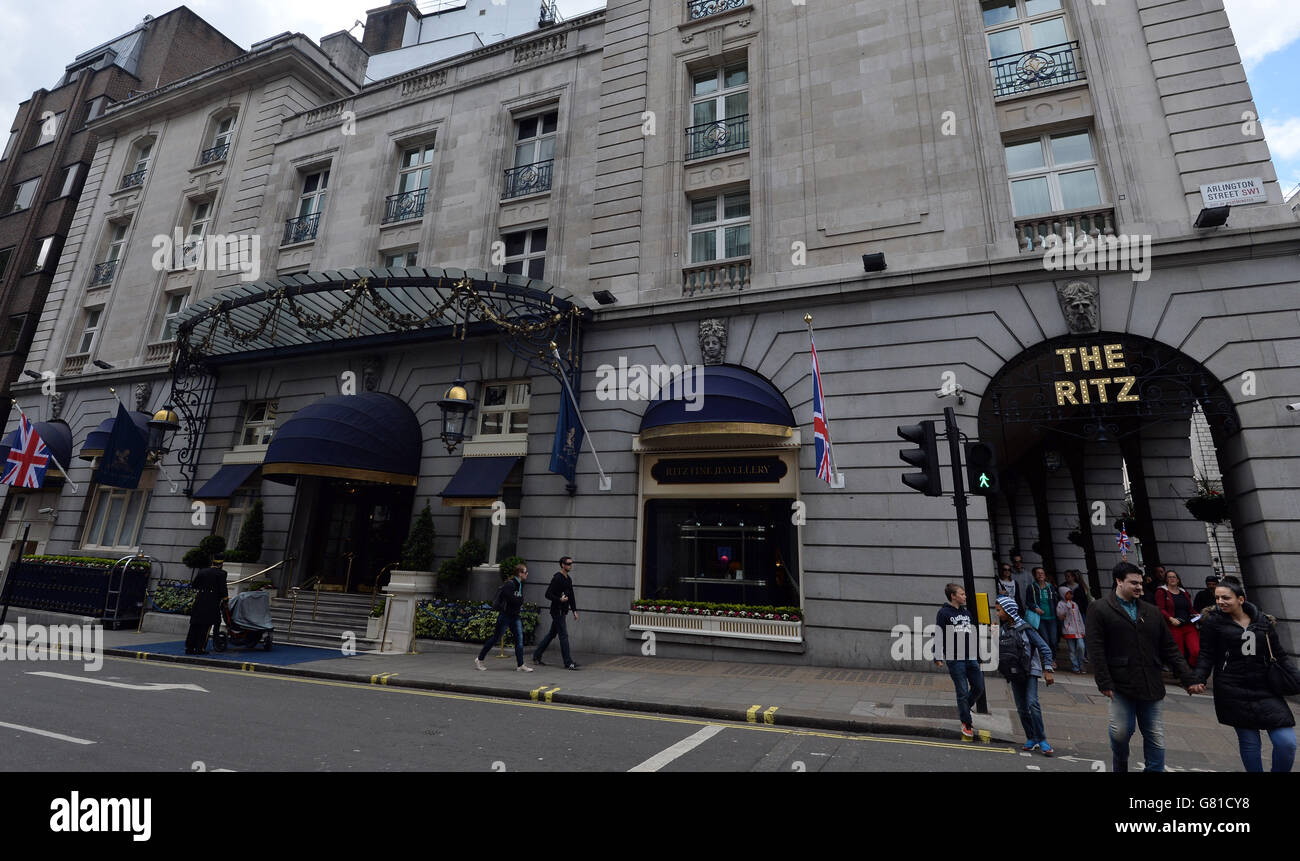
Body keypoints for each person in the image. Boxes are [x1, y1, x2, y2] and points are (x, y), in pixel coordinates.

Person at [1085, 561, 1204, 772]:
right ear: (1119, 582)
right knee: (1121, 732)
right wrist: (1104, 681)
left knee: (1155, 735)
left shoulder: (1152, 611)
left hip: (1151, 682)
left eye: (1140, 583)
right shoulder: (1100, 608)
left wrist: (1189, 678)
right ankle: (1120, 762)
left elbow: (1170, 648)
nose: (1140, 587)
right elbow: (1096, 648)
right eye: (1134, 583)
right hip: (1120, 684)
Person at [1194, 578, 1300, 772]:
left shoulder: (1263, 622)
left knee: (1286, 743)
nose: (1220, 602)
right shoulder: (1213, 623)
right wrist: (1198, 678)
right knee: (1250, 743)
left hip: (1266, 688)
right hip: (1232, 689)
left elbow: (1280, 655)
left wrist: (1297, 679)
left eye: (1226, 597)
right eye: (1217, 598)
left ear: (1240, 599)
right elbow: (1206, 654)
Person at [995, 596, 1057, 755]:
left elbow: (1044, 648)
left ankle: (1042, 739)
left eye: (999, 610)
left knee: (1032, 704)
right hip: (1014, 673)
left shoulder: (1025, 628)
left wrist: (1048, 669)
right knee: (1021, 708)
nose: (997, 613)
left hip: (1030, 671)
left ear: (1008, 611)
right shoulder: (1003, 629)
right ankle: (1031, 737)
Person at [935, 583, 984, 740]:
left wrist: (978, 655)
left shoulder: (967, 613)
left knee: (978, 687)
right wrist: (937, 655)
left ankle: (964, 709)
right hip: (955, 658)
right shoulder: (943, 613)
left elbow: (972, 635)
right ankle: (966, 722)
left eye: (964, 594)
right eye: (962, 594)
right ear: (953, 596)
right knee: (962, 691)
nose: (965, 596)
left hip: (970, 656)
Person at [475, 562, 533, 672]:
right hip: (505, 616)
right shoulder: (510, 584)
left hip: (515, 616)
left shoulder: (520, 584)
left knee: (519, 640)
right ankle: (479, 659)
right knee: (495, 638)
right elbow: (512, 599)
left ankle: (520, 665)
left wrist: (518, 601)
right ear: (520, 573)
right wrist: (519, 600)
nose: (527, 574)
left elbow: (517, 600)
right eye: (526, 572)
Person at [532, 555, 580, 670]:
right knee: (564, 635)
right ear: (563, 565)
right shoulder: (557, 578)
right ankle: (568, 662)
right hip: (556, 610)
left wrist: (574, 610)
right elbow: (547, 594)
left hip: (563, 610)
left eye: (571, 563)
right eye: (568, 564)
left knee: (552, 634)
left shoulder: (568, 579)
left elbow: (571, 596)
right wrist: (559, 599)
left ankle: (536, 655)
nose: (570, 565)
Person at [1155, 569, 1199, 666]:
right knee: (1179, 654)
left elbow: (1190, 609)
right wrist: (1171, 619)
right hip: (1174, 626)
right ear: (1166, 580)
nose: (1172, 579)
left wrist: (1198, 615)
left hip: (1188, 625)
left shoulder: (1184, 592)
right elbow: (1160, 609)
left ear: (1178, 580)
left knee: (1196, 651)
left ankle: (1192, 670)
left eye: (1174, 577)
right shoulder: (1161, 591)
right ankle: (1182, 674)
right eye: (1169, 577)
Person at [186, 556, 227, 655]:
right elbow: (223, 590)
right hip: (211, 603)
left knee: (194, 625)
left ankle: (189, 648)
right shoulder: (221, 574)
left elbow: (194, 585)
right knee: (205, 626)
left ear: (212, 562)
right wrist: (225, 599)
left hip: (199, 601)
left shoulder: (202, 571)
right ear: (221, 564)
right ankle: (200, 648)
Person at [1056, 586, 1086, 673]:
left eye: (1070, 593)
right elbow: (1060, 617)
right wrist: (1066, 609)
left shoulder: (1075, 604)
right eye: (1067, 594)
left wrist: (1082, 628)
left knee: (1081, 646)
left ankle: (1082, 664)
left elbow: (1079, 616)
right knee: (1072, 650)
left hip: (1078, 630)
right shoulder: (1060, 604)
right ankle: (1075, 666)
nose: (1070, 595)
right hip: (1069, 630)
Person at [1030, 568, 1058, 648]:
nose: (1040, 575)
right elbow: (1028, 602)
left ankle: (1053, 658)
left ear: (1045, 575)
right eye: (1038, 573)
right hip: (1040, 618)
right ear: (1035, 576)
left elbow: (1055, 601)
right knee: (1045, 640)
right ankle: (1049, 659)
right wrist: (1035, 608)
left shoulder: (1050, 587)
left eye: (1042, 573)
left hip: (1052, 617)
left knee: (1053, 640)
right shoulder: (1032, 587)